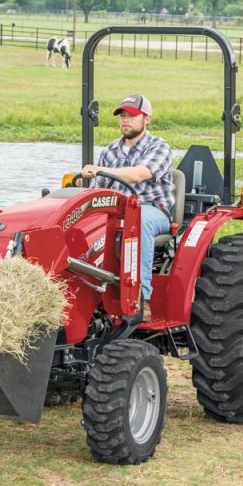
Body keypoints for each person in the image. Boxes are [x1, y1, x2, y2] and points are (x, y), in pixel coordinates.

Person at [81, 94, 174, 320]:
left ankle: (141, 297)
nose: (125, 120)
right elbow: (97, 191)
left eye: (132, 116)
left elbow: (138, 174)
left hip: (151, 209)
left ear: (147, 119)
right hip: (115, 211)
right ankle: (86, 290)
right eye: (122, 115)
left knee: (138, 220)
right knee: (84, 222)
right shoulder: (110, 151)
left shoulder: (159, 147)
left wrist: (100, 170)